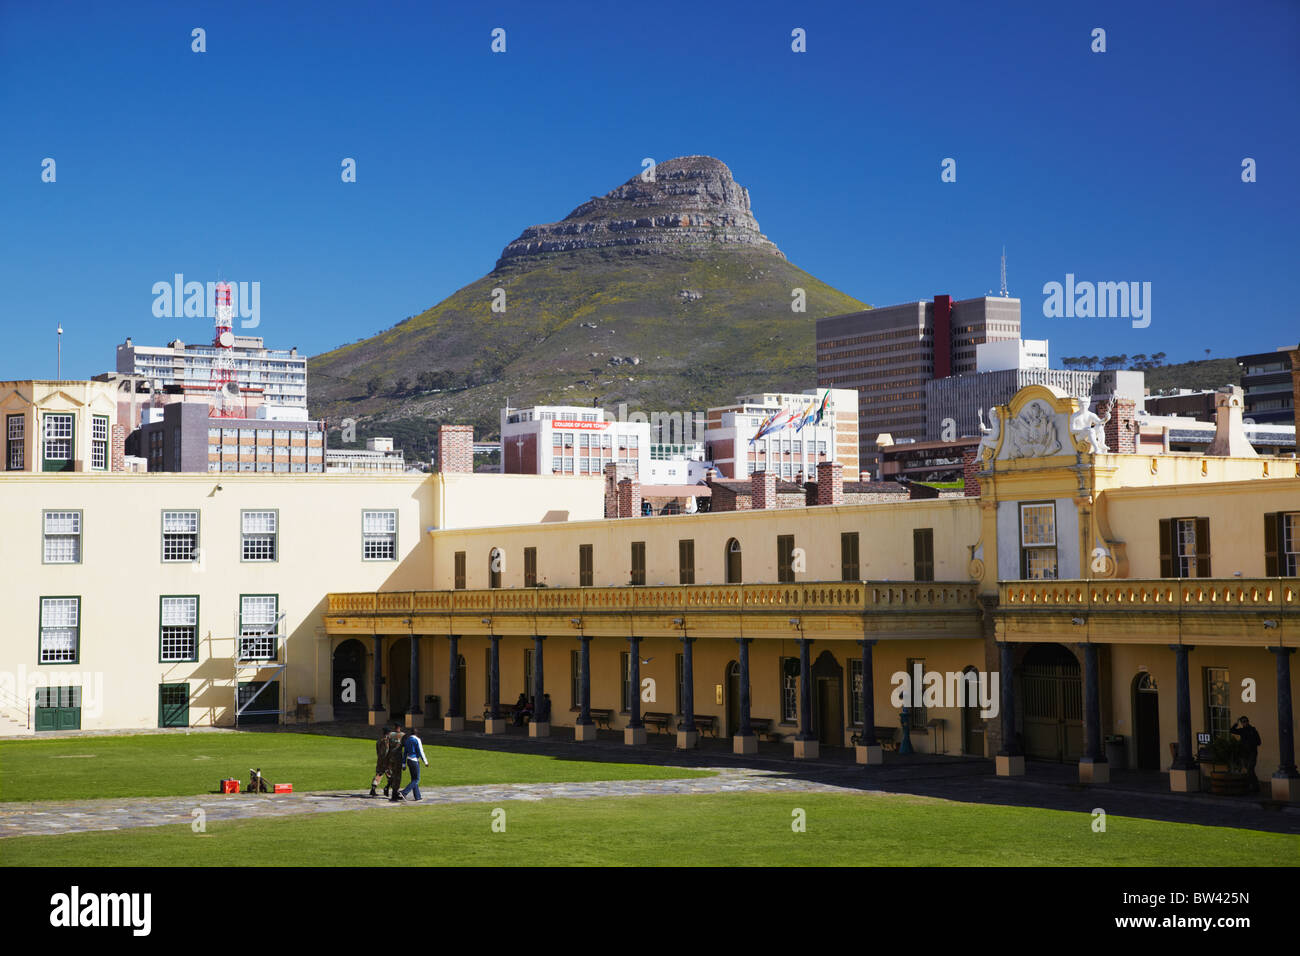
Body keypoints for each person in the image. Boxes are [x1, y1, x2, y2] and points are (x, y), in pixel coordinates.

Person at [1230, 716, 1262, 792]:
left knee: (1250, 769)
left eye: (1245, 721)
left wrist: (1251, 743)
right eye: (1243, 722)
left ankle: (1252, 787)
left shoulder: (1253, 730)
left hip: (1252, 753)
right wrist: (1236, 723)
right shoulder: (1242, 730)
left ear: (1248, 721)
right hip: (1244, 753)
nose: (1245, 723)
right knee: (1249, 770)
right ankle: (1254, 786)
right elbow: (1231, 730)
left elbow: (1259, 742)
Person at [399, 728, 430, 801]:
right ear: (417, 733)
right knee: (416, 779)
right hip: (414, 761)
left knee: (413, 779)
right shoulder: (417, 740)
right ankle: (404, 792)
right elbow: (421, 751)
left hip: (409, 760)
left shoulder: (407, 740)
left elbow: (405, 752)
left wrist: (403, 764)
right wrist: (425, 762)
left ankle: (417, 796)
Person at [386, 724, 407, 801]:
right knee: (397, 776)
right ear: (399, 727)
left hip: (391, 758)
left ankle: (391, 789)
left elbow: (387, 747)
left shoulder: (390, 735)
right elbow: (405, 747)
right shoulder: (403, 735)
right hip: (398, 759)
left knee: (392, 775)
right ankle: (395, 793)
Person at [369, 726, 392, 798]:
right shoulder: (387, 741)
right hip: (386, 761)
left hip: (380, 760)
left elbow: (378, 751)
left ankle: (373, 789)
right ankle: (387, 788)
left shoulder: (379, 740)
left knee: (378, 775)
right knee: (390, 776)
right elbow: (386, 751)